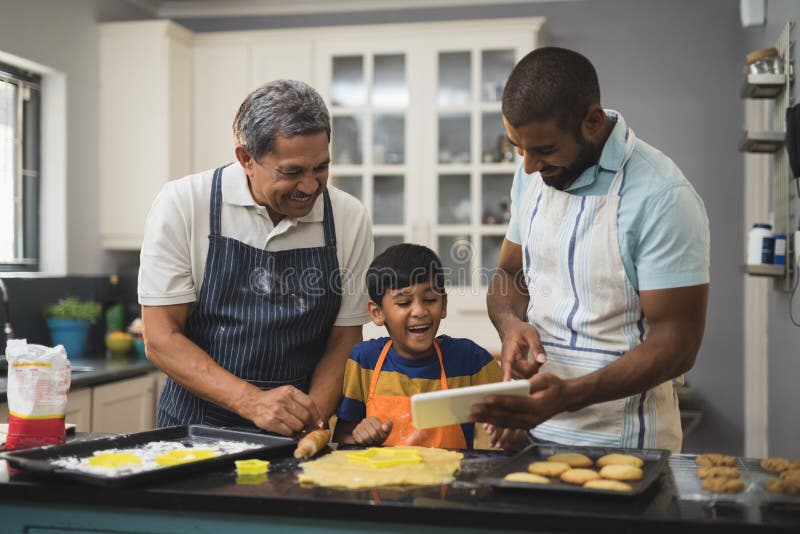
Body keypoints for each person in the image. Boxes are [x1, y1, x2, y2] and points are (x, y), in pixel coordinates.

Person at [472, 47, 709, 453]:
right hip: (532, 437)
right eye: (517, 147)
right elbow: (509, 275)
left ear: (593, 121)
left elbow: (678, 344)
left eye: (544, 151)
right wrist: (511, 325)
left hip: (628, 447)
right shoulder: (531, 174)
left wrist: (571, 394)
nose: (528, 166)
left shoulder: (662, 196)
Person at [138, 80, 373, 435]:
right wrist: (253, 402)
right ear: (247, 159)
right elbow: (160, 338)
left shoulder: (347, 217)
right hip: (194, 430)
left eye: (321, 168)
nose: (310, 186)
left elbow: (344, 340)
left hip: (298, 429)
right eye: (292, 172)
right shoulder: (185, 203)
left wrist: (312, 421)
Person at [333, 244, 519, 449]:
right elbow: (344, 436)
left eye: (430, 299)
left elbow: (516, 415)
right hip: (383, 479)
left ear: (444, 304)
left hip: (450, 478)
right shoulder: (364, 360)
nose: (420, 311)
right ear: (377, 312)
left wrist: (510, 426)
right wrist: (360, 434)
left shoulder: (469, 360)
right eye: (404, 303)